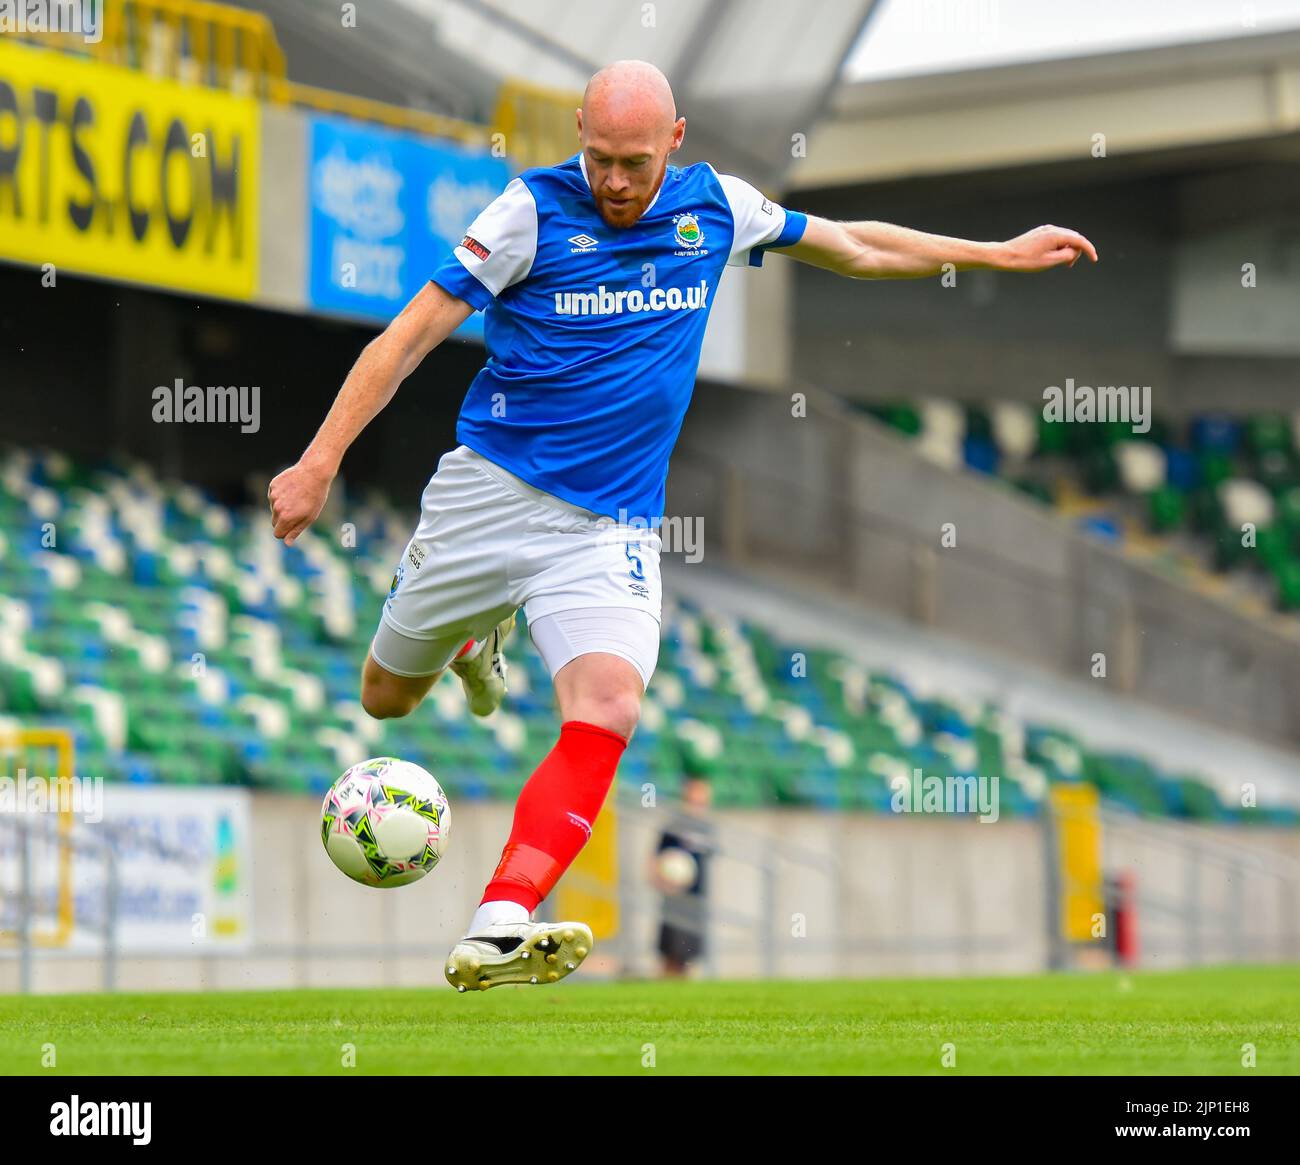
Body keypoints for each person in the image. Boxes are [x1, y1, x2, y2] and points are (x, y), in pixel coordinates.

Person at [267, 59, 1098, 992]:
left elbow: (856, 245)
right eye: (598, 158)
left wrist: (995, 252)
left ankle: (502, 916)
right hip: (489, 495)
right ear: (578, 131)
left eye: (632, 161)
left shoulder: (719, 209)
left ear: (675, 139)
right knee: (386, 699)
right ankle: (473, 635)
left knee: (610, 705)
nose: (614, 182)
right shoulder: (527, 213)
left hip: (608, 528)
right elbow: (409, 334)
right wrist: (319, 459)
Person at [651, 775, 716, 977]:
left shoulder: (707, 827)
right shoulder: (674, 825)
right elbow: (656, 857)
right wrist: (660, 879)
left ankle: (682, 990)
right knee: (670, 952)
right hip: (674, 898)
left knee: (689, 954)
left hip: (696, 897)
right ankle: (665, 986)